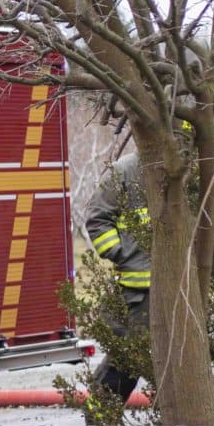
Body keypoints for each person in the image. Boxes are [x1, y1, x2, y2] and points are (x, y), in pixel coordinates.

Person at [84, 151, 150, 402]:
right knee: (127, 360)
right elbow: (97, 219)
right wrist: (121, 254)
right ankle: (101, 417)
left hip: (181, 290)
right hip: (136, 294)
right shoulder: (123, 171)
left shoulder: (189, 168)